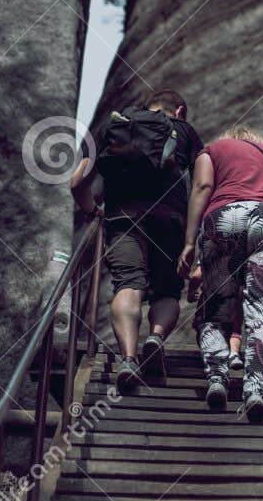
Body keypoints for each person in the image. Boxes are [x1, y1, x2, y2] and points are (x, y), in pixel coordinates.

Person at [71, 89, 202, 393]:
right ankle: (155, 337)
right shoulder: (184, 131)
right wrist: (193, 238)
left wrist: (94, 211)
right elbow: (202, 184)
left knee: (128, 283)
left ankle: (129, 358)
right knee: (167, 290)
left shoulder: (115, 126)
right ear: (179, 111)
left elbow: (77, 181)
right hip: (169, 221)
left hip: (122, 218)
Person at [179, 124, 263, 423]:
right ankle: (255, 389)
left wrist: (190, 242)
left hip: (224, 218)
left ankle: (217, 378)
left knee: (215, 307)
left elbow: (202, 187)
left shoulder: (213, 150)